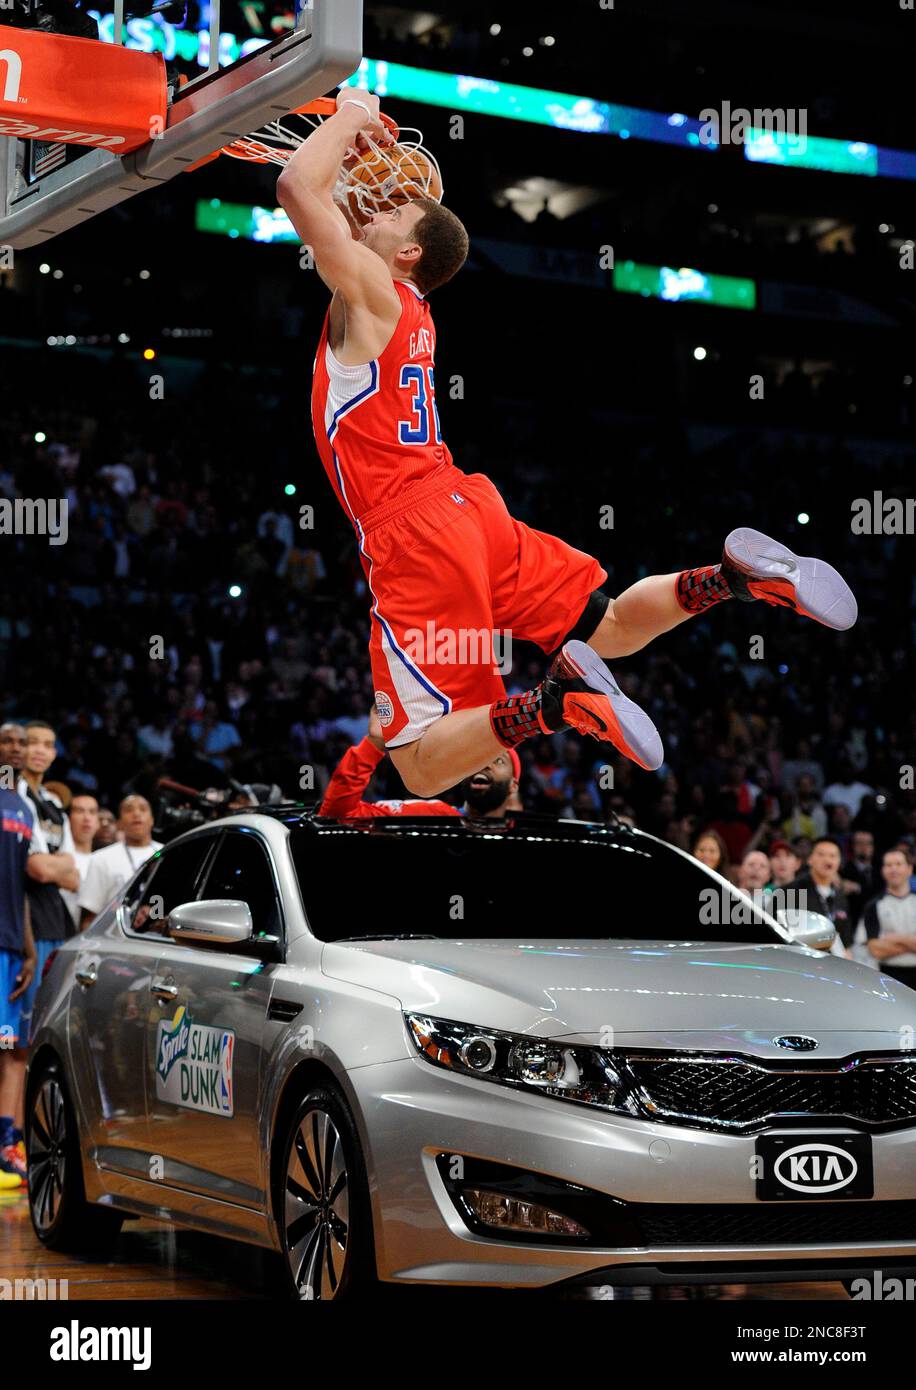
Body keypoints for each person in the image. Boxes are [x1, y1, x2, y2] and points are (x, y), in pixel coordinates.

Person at [281, 89, 858, 798]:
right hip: (463, 510)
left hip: (417, 526)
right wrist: (357, 142)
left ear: (407, 251)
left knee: (420, 767)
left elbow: (294, 188)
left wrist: (351, 115)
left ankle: (554, 704)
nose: (376, 205)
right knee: (607, 624)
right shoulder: (411, 306)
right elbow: (323, 203)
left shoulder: (374, 287)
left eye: (393, 209)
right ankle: (734, 579)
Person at [319, 706, 521, 820]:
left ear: (514, 785)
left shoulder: (531, 834)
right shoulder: (431, 815)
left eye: (497, 760)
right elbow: (338, 815)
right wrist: (375, 744)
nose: (483, 764)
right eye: (476, 758)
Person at [16, 722, 79, 1051]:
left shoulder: (54, 805)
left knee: (45, 1021)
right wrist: (58, 865)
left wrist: (55, 866)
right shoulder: (15, 796)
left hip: (57, 920)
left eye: (47, 744)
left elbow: (74, 876)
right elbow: (37, 868)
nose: (39, 750)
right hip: (27, 920)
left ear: (54, 753)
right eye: (32, 743)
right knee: (21, 1032)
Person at [0, 784, 34, 1185]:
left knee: (9, 1047)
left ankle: (8, 1145)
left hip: (9, 945)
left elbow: (23, 887)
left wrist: (28, 950)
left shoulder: (22, 809)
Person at [79, 795, 162, 929]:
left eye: (143, 809)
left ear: (152, 820)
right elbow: (88, 918)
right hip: (115, 942)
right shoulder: (101, 858)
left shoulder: (168, 854)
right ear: (120, 823)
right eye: (129, 810)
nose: (136, 813)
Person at [863, 847, 916, 989]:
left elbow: (881, 946)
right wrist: (911, 943)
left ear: (909, 869)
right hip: (888, 976)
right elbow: (875, 949)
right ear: (882, 870)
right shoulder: (874, 905)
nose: (893, 869)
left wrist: (896, 938)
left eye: (898, 864)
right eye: (888, 865)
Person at [790, 837, 853, 950]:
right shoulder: (791, 892)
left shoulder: (841, 898)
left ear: (839, 861)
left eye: (833, 856)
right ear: (810, 859)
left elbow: (846, 939)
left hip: (834, 962)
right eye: (821, 854)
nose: (827, 860)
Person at [63, 793, 100, 930]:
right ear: (68, 818)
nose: (86, 817)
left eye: (92, 812)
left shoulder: (103, 860)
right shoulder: (60, 859)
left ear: (98, 822)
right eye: (79, 811)